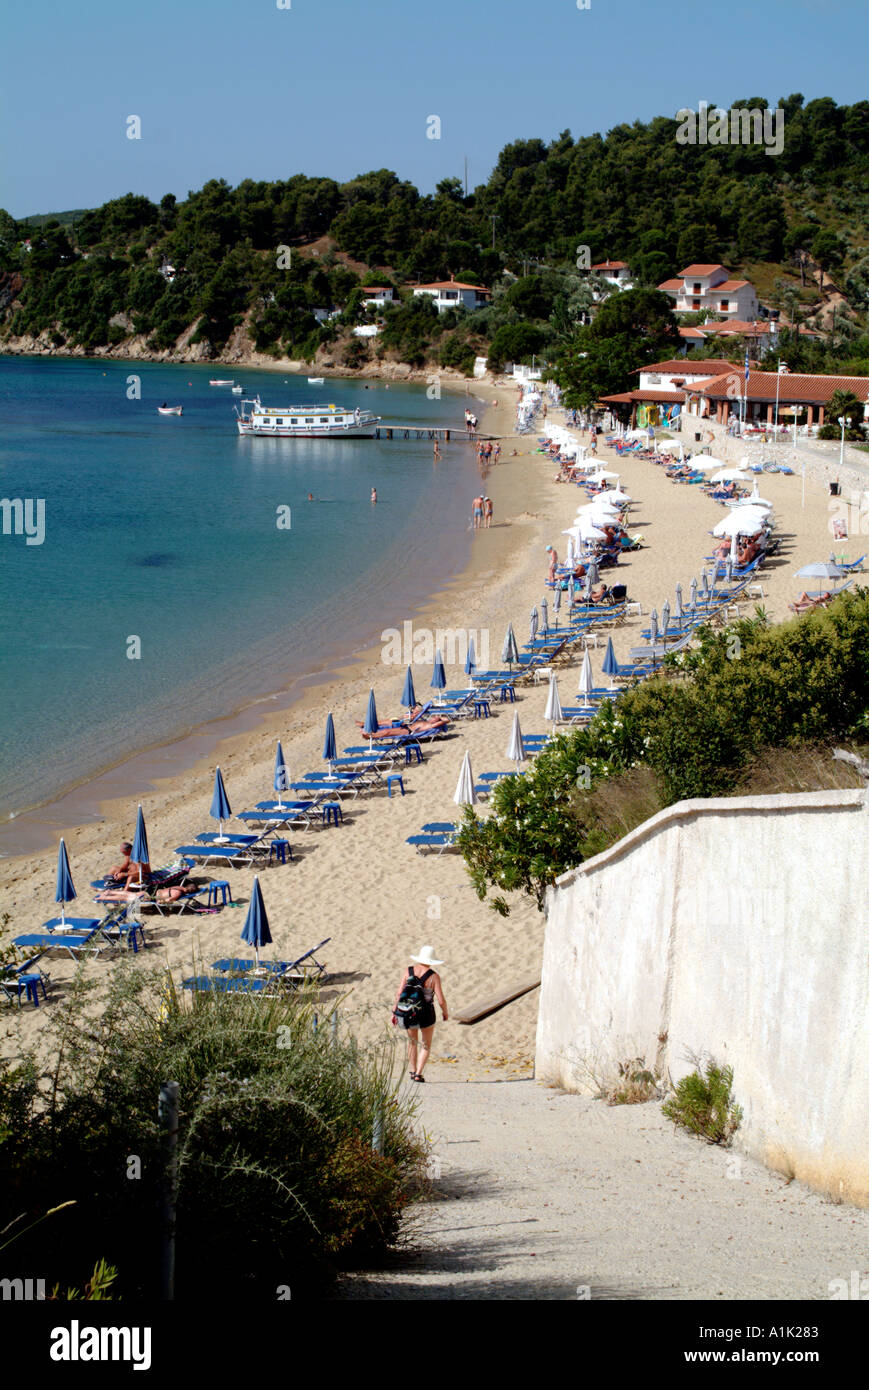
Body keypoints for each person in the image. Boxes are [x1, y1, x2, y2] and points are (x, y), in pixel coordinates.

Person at [391, 945, 448, 1082]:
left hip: (408, 1011)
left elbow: (400, 993)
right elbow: (440, 1000)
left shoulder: (408, 971)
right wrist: (445, 1012)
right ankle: (418, 1073)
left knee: (412, 1042)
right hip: (427, 1013)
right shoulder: (434, 976)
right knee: (426, 1044)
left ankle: (412, 1070)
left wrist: (395, 1011)